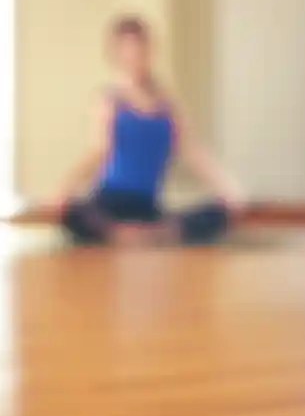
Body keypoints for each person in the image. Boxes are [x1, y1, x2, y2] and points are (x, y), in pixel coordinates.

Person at [51, 16, 246, 246]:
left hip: (148, 207)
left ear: (149, 50)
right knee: (74, 213)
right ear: (116, 55)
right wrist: (65, 188)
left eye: (139, 48)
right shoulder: (110, 100)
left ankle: (142, 235)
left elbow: (192, 150)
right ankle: (127, 235)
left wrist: (228, 187)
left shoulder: (168, 104)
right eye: (127, 50)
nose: (134, 56)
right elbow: (99, 151)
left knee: (216, 214)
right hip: (111, 202)